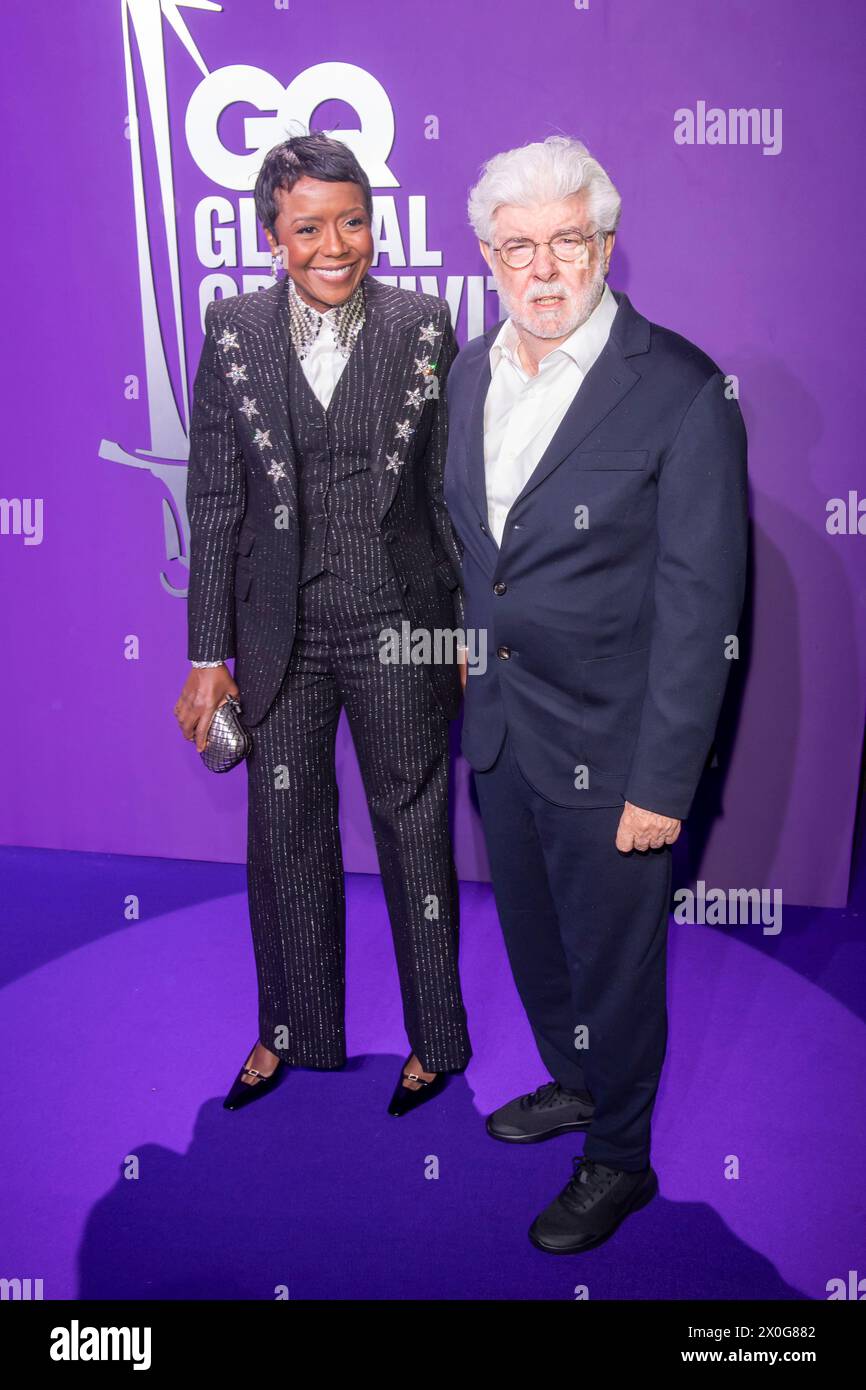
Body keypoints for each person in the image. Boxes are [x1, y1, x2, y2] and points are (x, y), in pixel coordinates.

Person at [443, 135, 748, 1252]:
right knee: (535, 942)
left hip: (615, 752)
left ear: (606, 247)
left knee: (616, 966)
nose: (543, 268)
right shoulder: (467, 374)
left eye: (566, 241)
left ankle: (619, 1156)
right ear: (486, 258)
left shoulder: (679, 390)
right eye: (516, 246)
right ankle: (575, 1084)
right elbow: (478, 553)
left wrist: (662, 783)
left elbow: (701, 611)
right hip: (501, 734)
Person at [174, 132, 470, 1115]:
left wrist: (461, 632)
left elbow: (446, 494)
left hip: (398, 624)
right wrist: (205, 654)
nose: (334, 245)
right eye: (309, 227)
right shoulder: (232, 330)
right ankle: (292, 1028)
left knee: (415, 828)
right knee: (285, 833)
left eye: (352, 221)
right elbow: (216, 499)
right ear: (273, 235)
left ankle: (437, 1036)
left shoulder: (424, 325)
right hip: (280, 635)